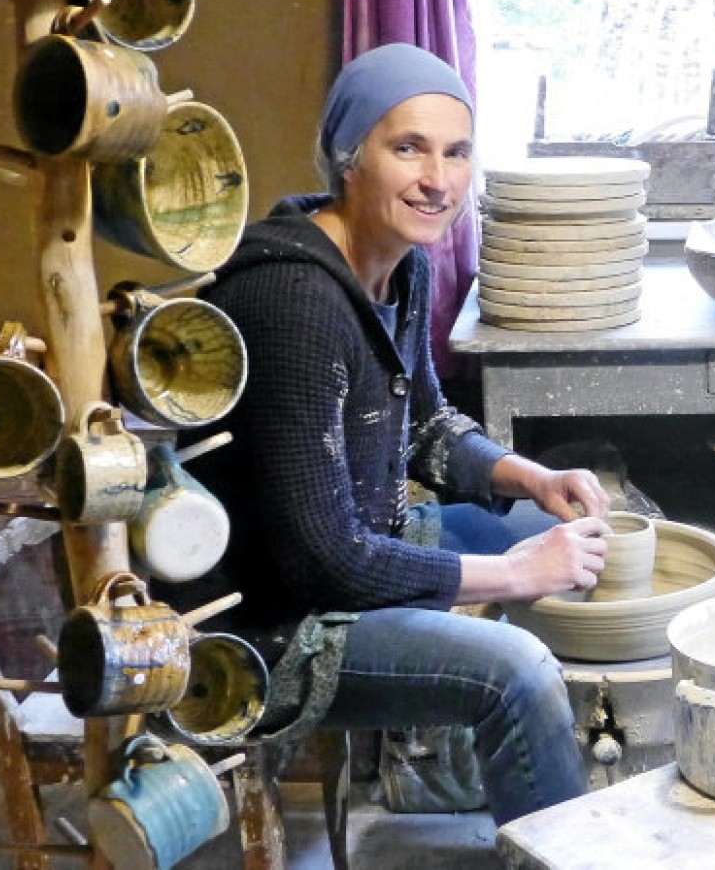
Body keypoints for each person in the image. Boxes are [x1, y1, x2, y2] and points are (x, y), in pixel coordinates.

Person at [162, 43, 609, 824]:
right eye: (408, 148)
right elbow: (324, 563)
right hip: (269, 628)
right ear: (348, 158)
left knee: (563, 537)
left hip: (358, 547)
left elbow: (425, 424)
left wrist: (530, 478)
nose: (438, 180)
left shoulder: (403, 264)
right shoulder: (293, 301)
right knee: (516, 672)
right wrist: (511, 574)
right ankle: (550, 827)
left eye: (456, 153)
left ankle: (526, 782)